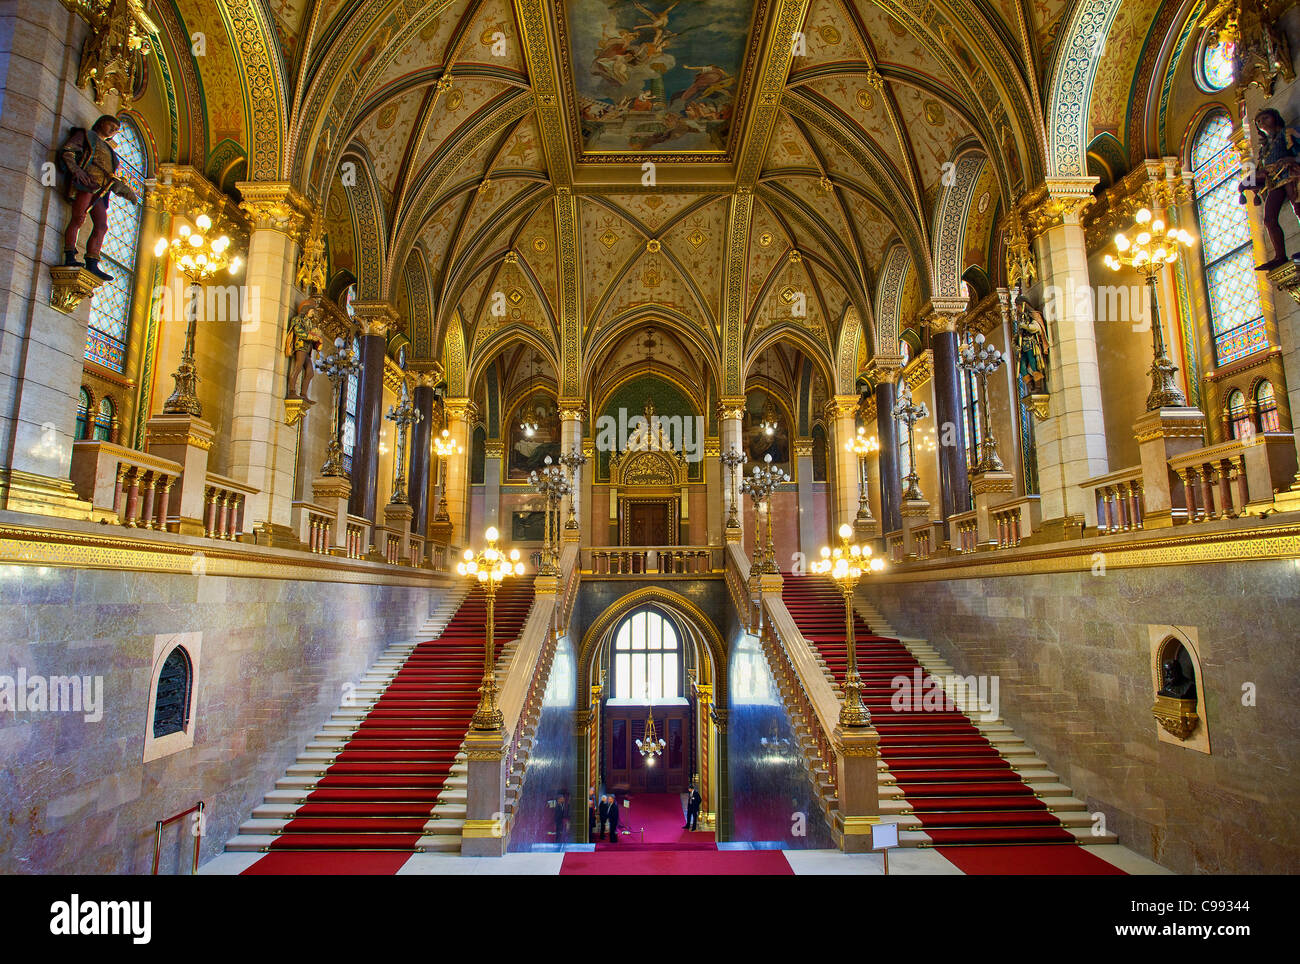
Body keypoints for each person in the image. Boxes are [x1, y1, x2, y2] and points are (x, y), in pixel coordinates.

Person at [57, 114, 141, 282]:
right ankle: (70, 255)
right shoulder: (86, 136)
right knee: (78, 218)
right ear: (101, 123)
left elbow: (110, 177)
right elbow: (68, 152)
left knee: (102, 226)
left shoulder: (110, 150)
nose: (114, 131)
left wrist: (129, 193)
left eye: (117, 130)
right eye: (112, 126)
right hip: (86, 184)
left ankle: (92, 261)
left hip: (101, 189)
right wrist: (77, 171)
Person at [1244, 108, 1300, 270]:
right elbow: (1263, 167)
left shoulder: (1287, 133)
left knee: (1298, 209)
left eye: (1265, 118)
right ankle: (1280, 256)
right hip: (1274, 181)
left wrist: (1293, 158)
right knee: (1269, 219)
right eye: (1259, 122)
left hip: (1290, 174)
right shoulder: (1264, 148)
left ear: (1275, 118)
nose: (1262, 123)